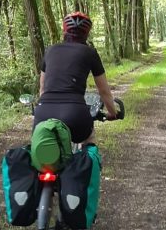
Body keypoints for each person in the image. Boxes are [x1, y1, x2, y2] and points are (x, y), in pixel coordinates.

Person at [33, 11, 118, 146]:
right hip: (75, 114)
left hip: (43, 115)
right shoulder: (90, 52)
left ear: (64, 30)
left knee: (42, 153)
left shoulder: (50, 50)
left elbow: (42, 89)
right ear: (87, 33)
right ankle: (88, 163)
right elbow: (104, 91)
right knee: (88, 143)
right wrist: (113, 113)